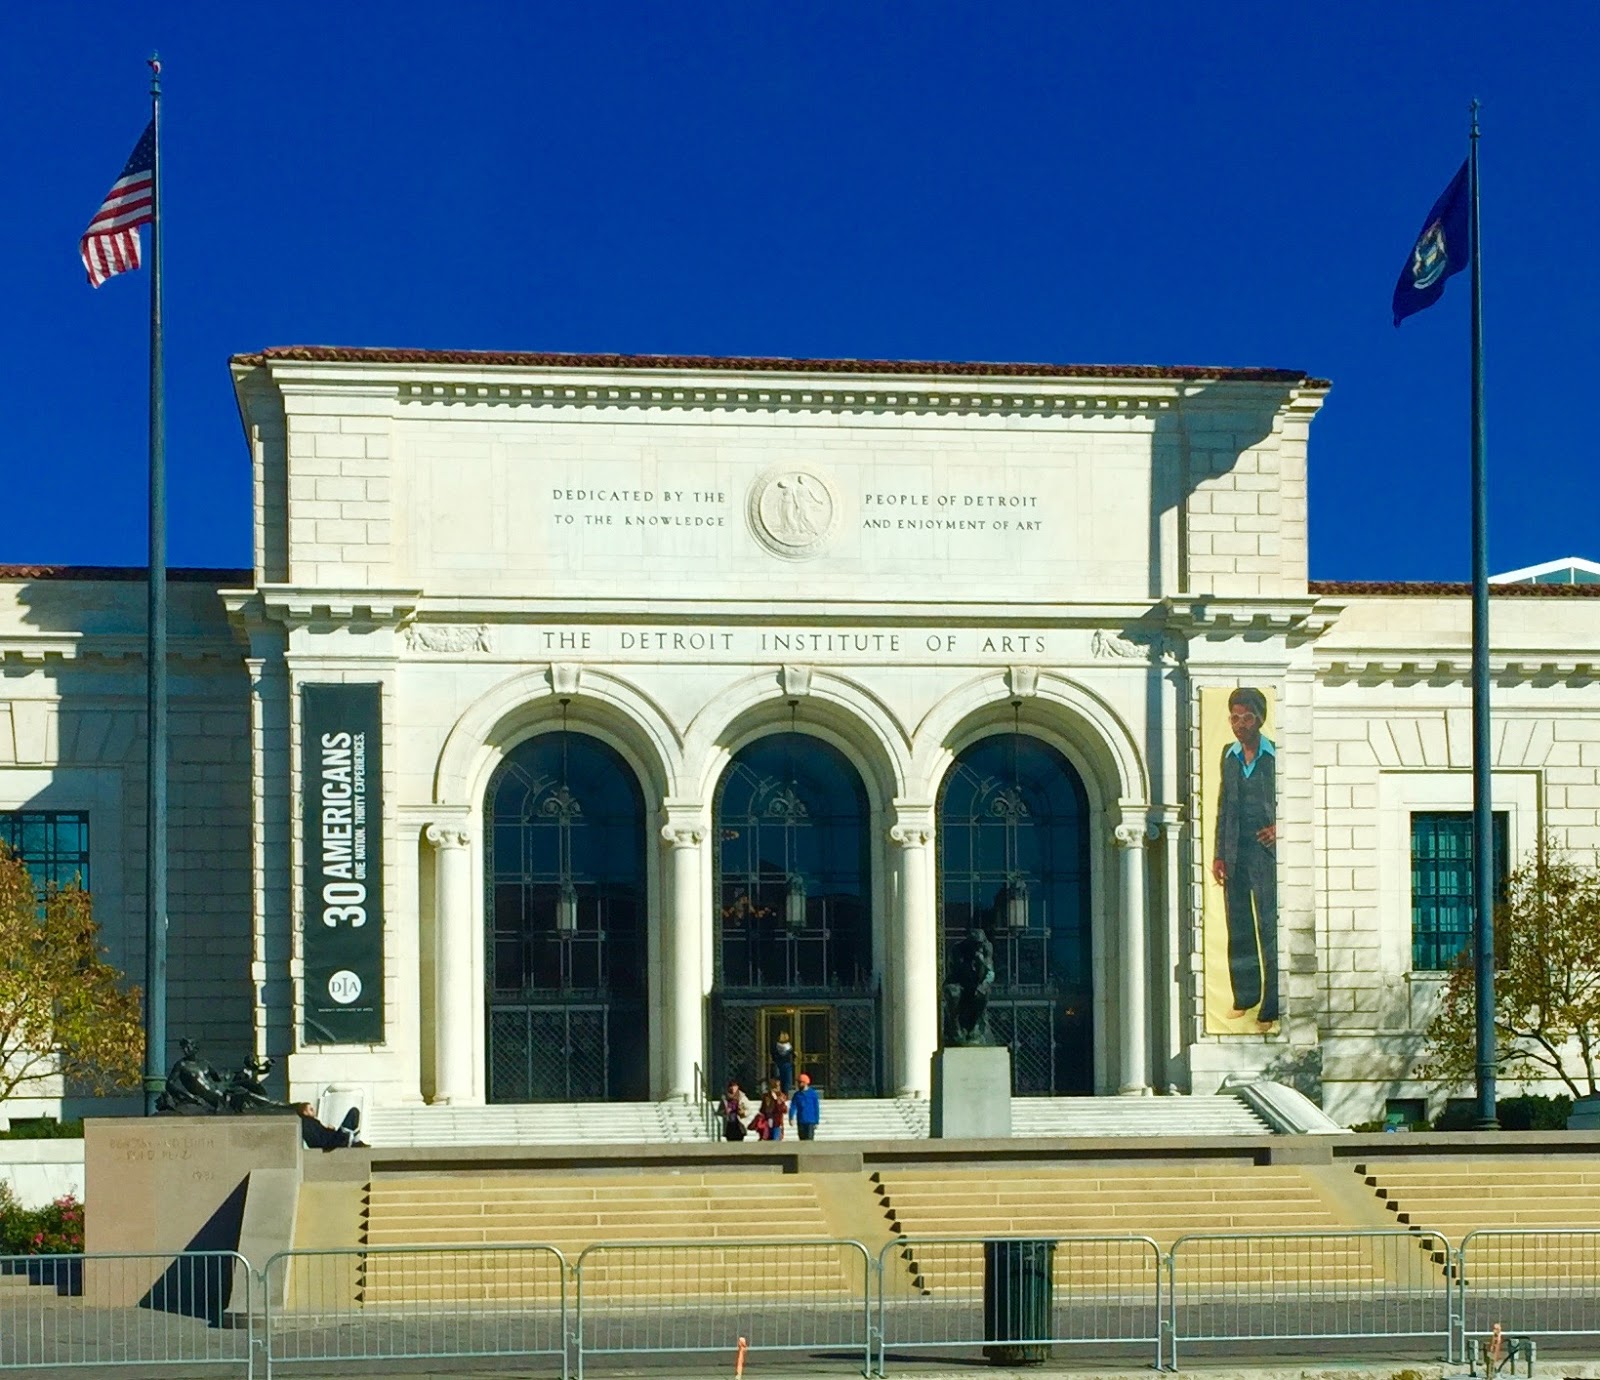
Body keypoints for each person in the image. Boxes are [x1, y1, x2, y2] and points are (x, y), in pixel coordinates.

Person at [1212, 686, 1279, 1029]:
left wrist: (1280, 828)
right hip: (1236, 852)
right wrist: (1219, 855)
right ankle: (1245, 997)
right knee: (1238, 928)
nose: (1240, 724)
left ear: (1260, 719)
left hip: (1267, 854)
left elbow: (1295, 798)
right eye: (1234, 717)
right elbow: (1224, 807)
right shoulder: (1229, 755)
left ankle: (1270, 1006)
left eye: (1247, 717)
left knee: (1269, 927)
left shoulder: (1276, 756)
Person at [296, 1102, 367, 1150]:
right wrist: (330, 1131)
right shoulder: (307, 1124)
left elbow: (321, 1135)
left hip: (334, 1139)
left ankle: (354, 1141)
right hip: (335, 1140)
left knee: (354, 1113)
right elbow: (319, 1140)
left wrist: (329, 1129)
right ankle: (352, 1141)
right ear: (305, 1112)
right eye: (311, 1109)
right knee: (353, 1112)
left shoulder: (311, 1122)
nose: (314, 1111)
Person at [789, 1072, 820, 1140]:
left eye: (800, 1082)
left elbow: (816, 1108)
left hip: (810, 1121)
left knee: (809, 1140)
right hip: (801, 1121)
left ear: (805, 1083)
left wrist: (817, 1121)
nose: (798, 1084)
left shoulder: (813, 1094)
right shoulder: (797, 1095)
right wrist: (791, 1117)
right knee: (802, 1140)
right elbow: (793, 1107)